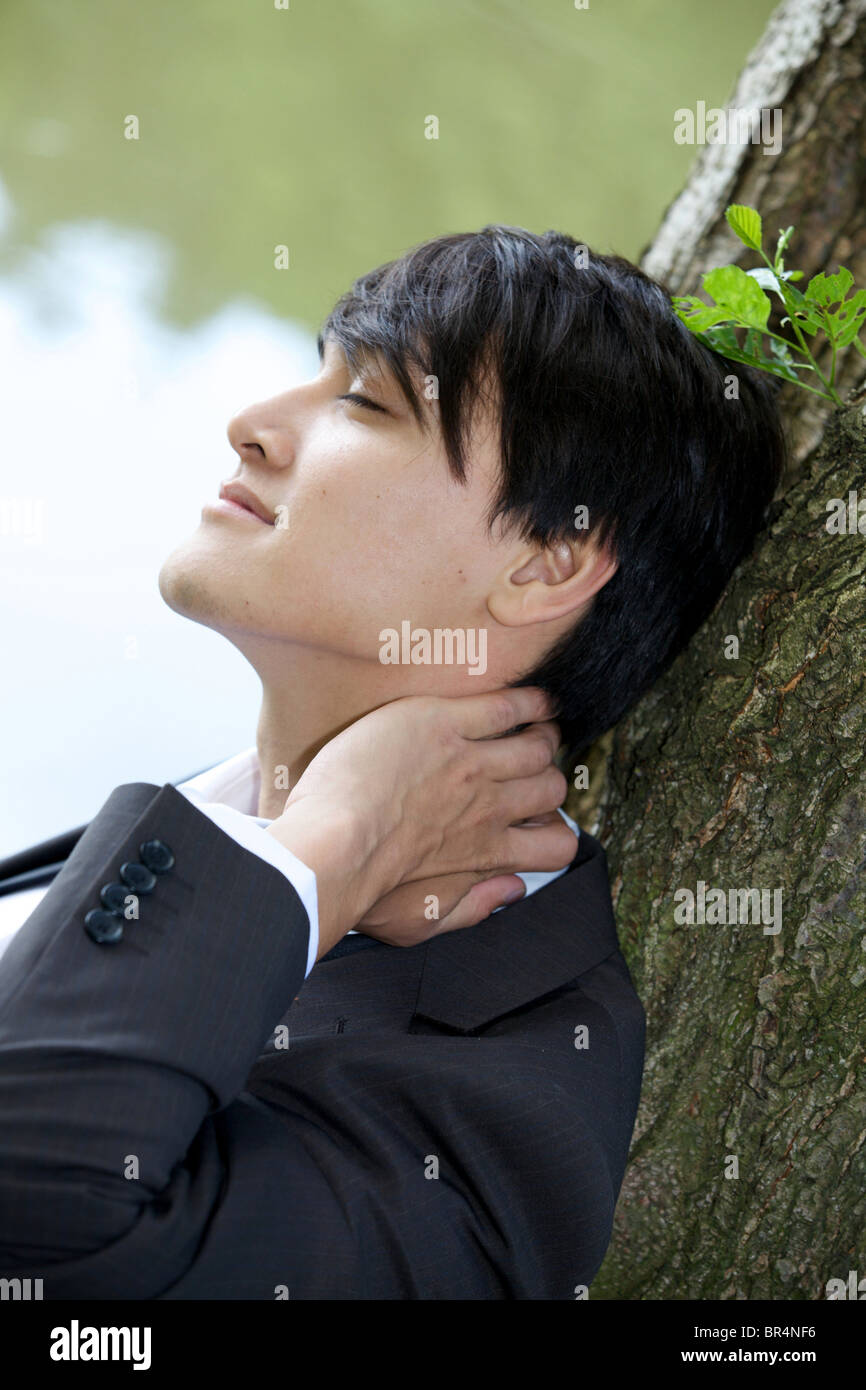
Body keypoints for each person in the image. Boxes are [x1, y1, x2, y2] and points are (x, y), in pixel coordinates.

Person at [0, 225, 785, 1299]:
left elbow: (35, 1217)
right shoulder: (183, 817)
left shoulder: (500, 1118)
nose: (251, 425)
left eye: (362, 404)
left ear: (543, 560)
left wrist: (331, 847)